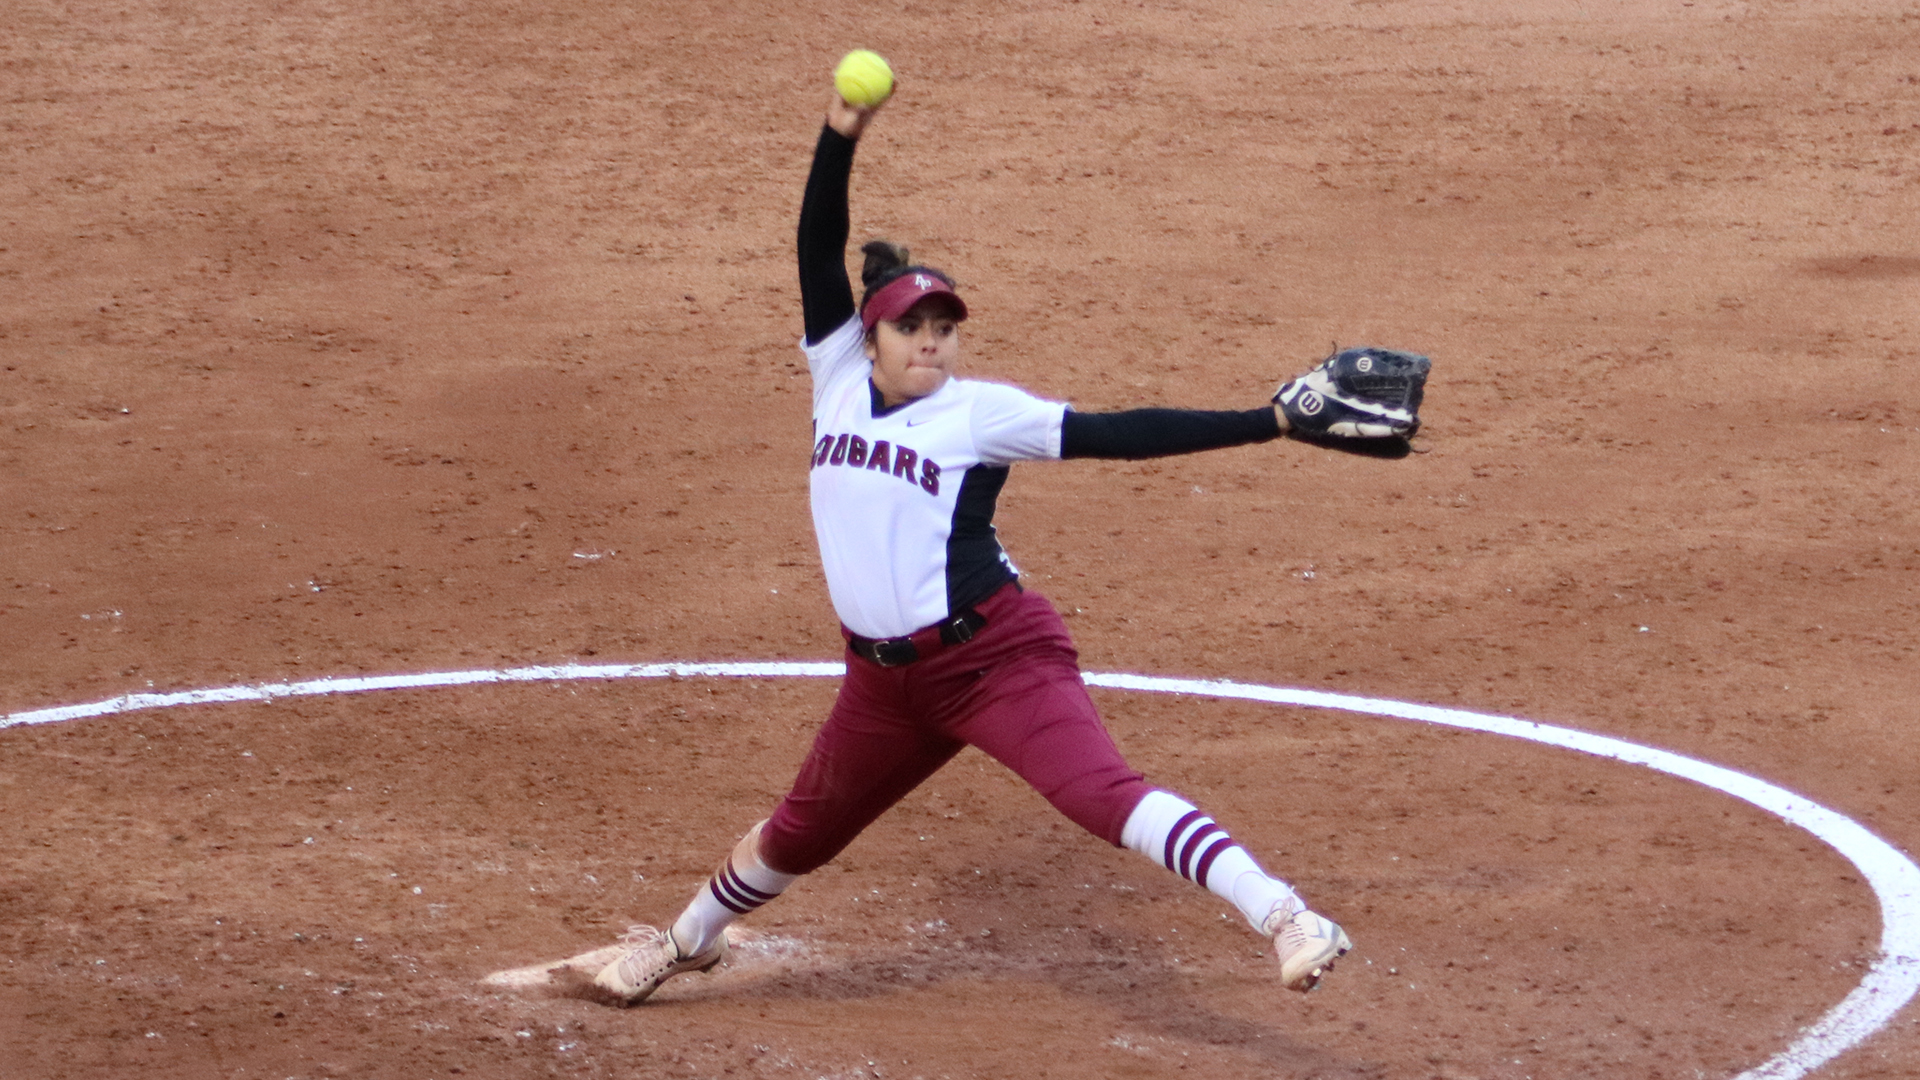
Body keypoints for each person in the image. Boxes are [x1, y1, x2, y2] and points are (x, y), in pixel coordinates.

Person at [591, 82, 1410, 1007]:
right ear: (873, 336)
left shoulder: (979, 414)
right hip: (882, 685)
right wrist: (840, 133)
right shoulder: (835, 372)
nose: (932, 345)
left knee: (1098, 795)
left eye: (944, 330)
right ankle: (687, 941)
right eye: (913, 328)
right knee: (797, 835)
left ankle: (1287, 917)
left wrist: (1265, 422)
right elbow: (815, 243)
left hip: (995, 660)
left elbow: (1118, 433)